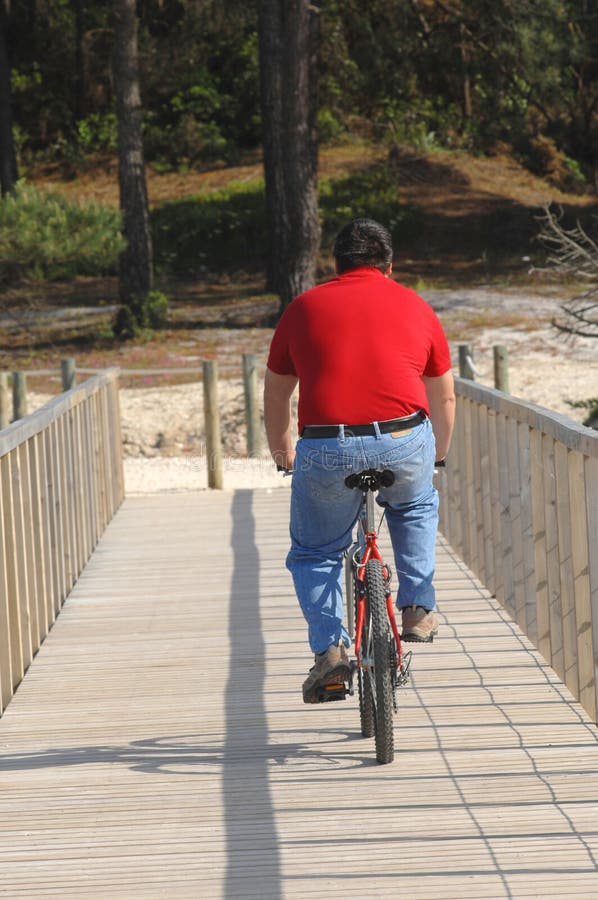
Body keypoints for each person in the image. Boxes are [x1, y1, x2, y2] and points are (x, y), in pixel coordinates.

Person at [264, 217, 455, 703]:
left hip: (326, 444)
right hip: (402, 438)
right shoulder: (416, 306)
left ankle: (330, 651)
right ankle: (417, 608)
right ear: (390, 266)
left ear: (335, 265)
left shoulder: (302, 308)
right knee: (414, 506)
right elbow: (445, 399)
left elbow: (276, 396)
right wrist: (438, 457)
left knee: (317, 551)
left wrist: (284, 454)